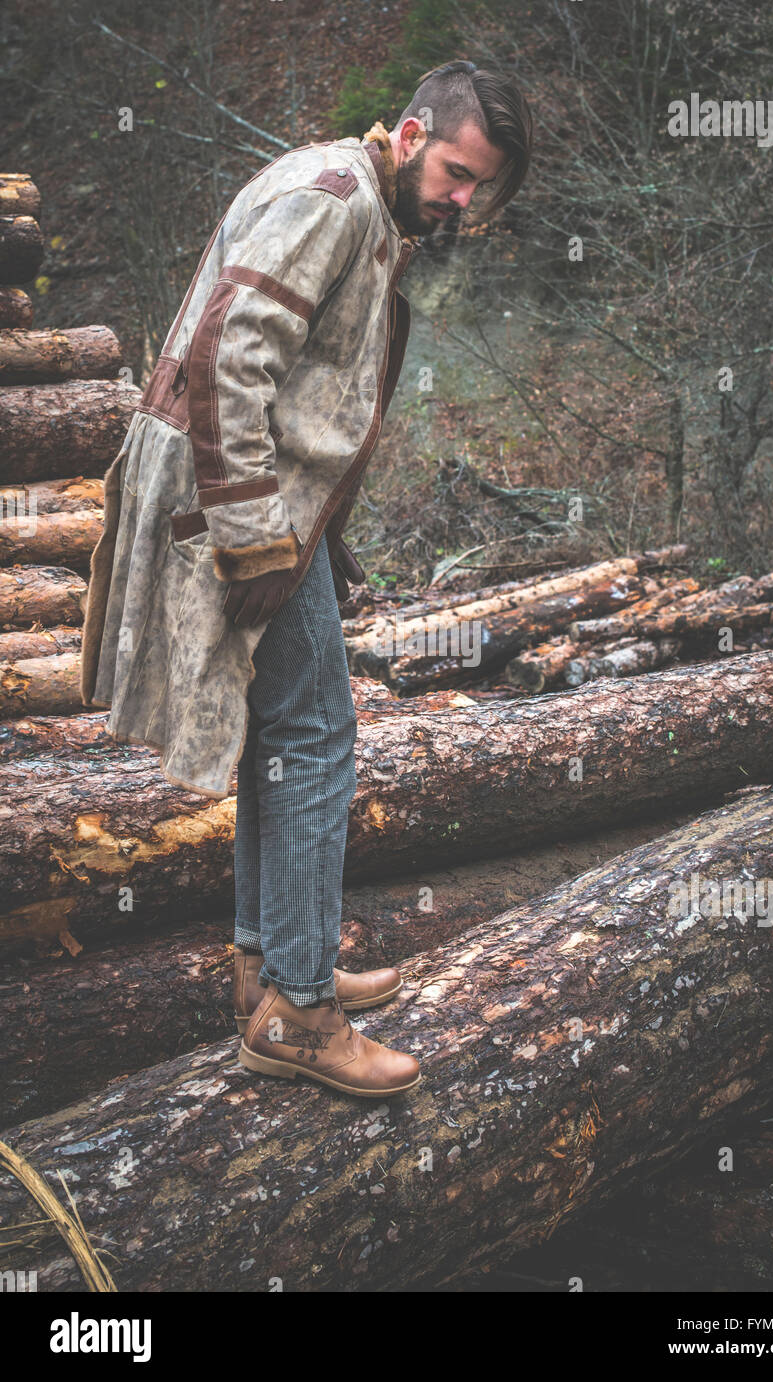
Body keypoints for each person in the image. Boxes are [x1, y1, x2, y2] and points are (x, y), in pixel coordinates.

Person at [80, 60, 533, 1098]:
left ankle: (271, 965)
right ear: (413, 132)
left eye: (478, 186)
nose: (463, 198)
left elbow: (295, 381)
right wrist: (250, 538)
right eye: (458, 171)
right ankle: (297, 1009)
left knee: (283, 732)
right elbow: (228, 362)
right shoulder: (332, 202)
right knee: (316, 735)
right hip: (234, 499)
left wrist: (310, 532)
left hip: (268, 500)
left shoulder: (364, 200)